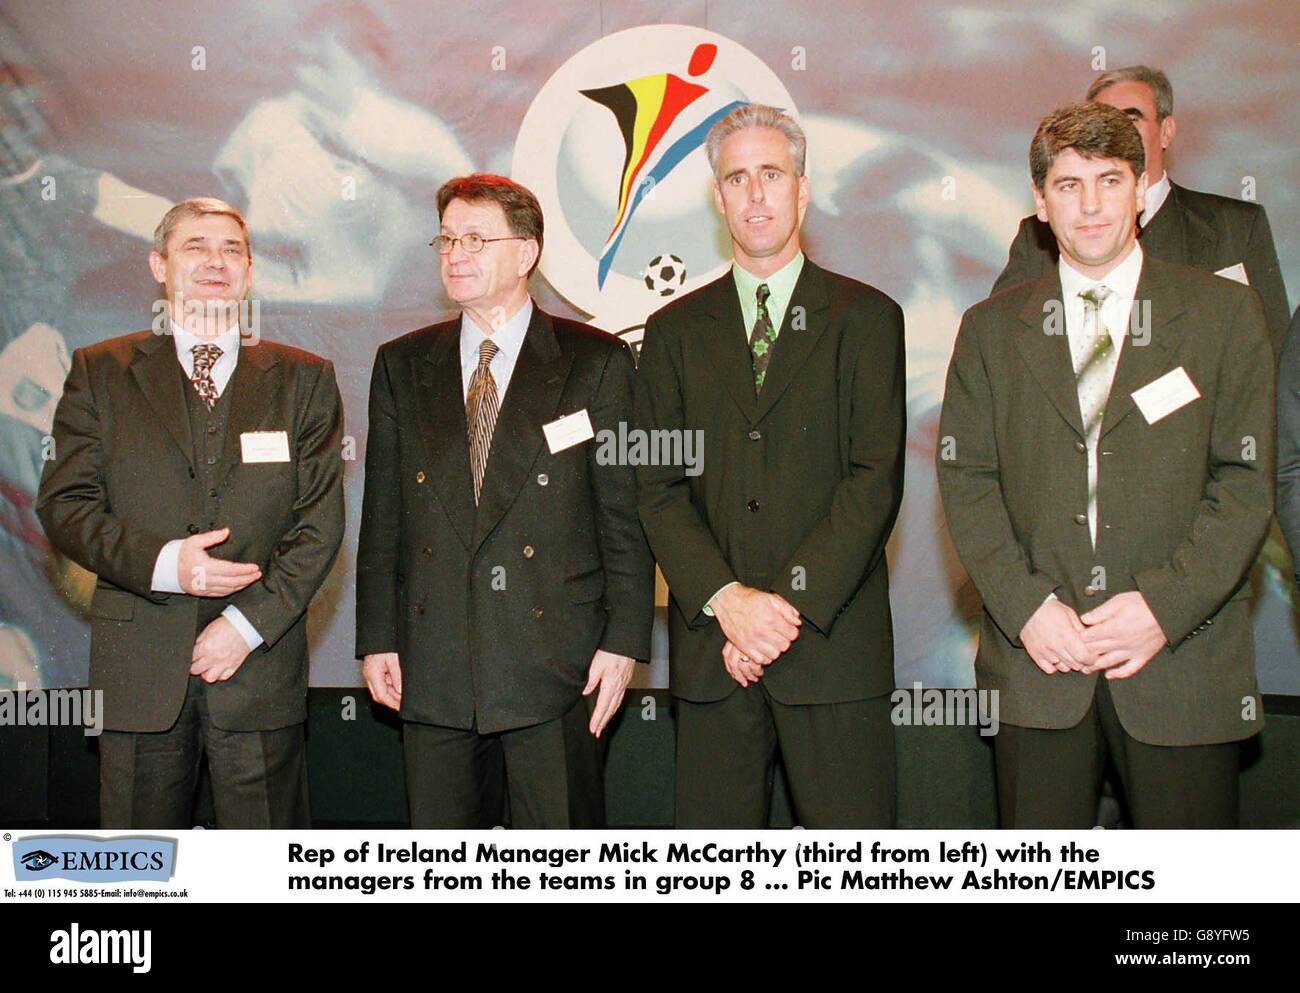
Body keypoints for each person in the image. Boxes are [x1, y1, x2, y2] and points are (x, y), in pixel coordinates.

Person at [938, 103, 1273, 828]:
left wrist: (1161, 609)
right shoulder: (990, 331)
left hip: (1183, 670)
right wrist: (1028, 610)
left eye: (1109, 180)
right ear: (1039, 201)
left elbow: (1246, 483)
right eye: (1068, 184)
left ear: (1142, 189)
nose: (1090, 205)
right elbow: (967, 482)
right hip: (1038, 670)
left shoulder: (1224, 315)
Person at [633, 105, 906, 828]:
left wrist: (779, 614)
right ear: (717, 198)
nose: (755, 194)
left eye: (772, 174)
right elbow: (656, 487)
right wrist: (730, 603)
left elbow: (874, 480)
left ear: (803, 190)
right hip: (714, 660)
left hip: (831, 648)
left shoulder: (868, 318)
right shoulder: (672, 332)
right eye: (737, 178)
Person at [356, 174, 653, 829]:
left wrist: (624, 641)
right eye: (447, 239)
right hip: (433, 663)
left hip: (556, 663)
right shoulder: (401, 365)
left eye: (476, 238)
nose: (455, 253)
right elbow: (382, 520)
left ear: (526, 253)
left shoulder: (594, 361)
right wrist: (377, 637)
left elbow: (623, 517)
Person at [36, 197, 345, 827]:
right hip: (138, 674)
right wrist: (166, 566)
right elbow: (65, 505)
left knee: (263, 877)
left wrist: (246, 626)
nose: (215, 262)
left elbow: (319, 525)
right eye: (195, 247)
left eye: (232, 249)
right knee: (139, 873)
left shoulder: (304, 378)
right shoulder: (99, 371)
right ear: (158, 265)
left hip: (259, 670)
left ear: (250, 271)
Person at [992, 66, 1290, 354]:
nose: (1117, 136)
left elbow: (1272, 353)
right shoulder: (1040, 238)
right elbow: (1000, 347)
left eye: (1130, 121)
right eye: (1103, 125)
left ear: (1166, 131)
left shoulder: (1234, 227)